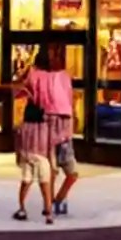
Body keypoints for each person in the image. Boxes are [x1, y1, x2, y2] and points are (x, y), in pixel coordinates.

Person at [12, 47, 72, 224]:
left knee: (27, 180)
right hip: (43, 152)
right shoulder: (61, 77)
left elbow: (18, 89)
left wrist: (19, 155)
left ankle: (23, 208)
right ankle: (48, 210)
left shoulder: (25, 126)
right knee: (45, 180)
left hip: (29, 153)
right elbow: (49, 141)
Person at [46, 43, 79, 216]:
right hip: (51, 129)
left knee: (72, 173)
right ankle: (50, 203)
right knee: (52, 171)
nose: (54, 60)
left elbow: (69, 100)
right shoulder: (45, 78)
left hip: (64, 132)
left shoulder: (64, 77)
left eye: (56, 56)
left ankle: (58, 199)